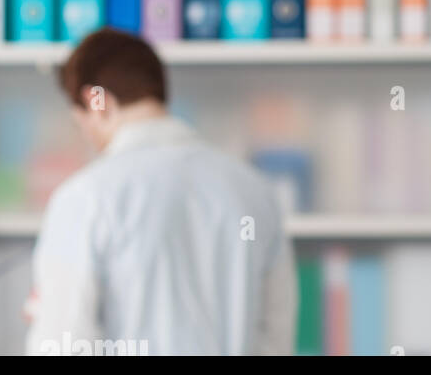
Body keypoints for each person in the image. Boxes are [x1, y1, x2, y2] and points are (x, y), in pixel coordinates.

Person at [24, 28, 297, 355]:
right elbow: (277, 337)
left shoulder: (85, 198)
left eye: (80, 122)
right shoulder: (255, 192)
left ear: (97, 102)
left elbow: (64, 346)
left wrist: (49, 315)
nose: (86, 136)